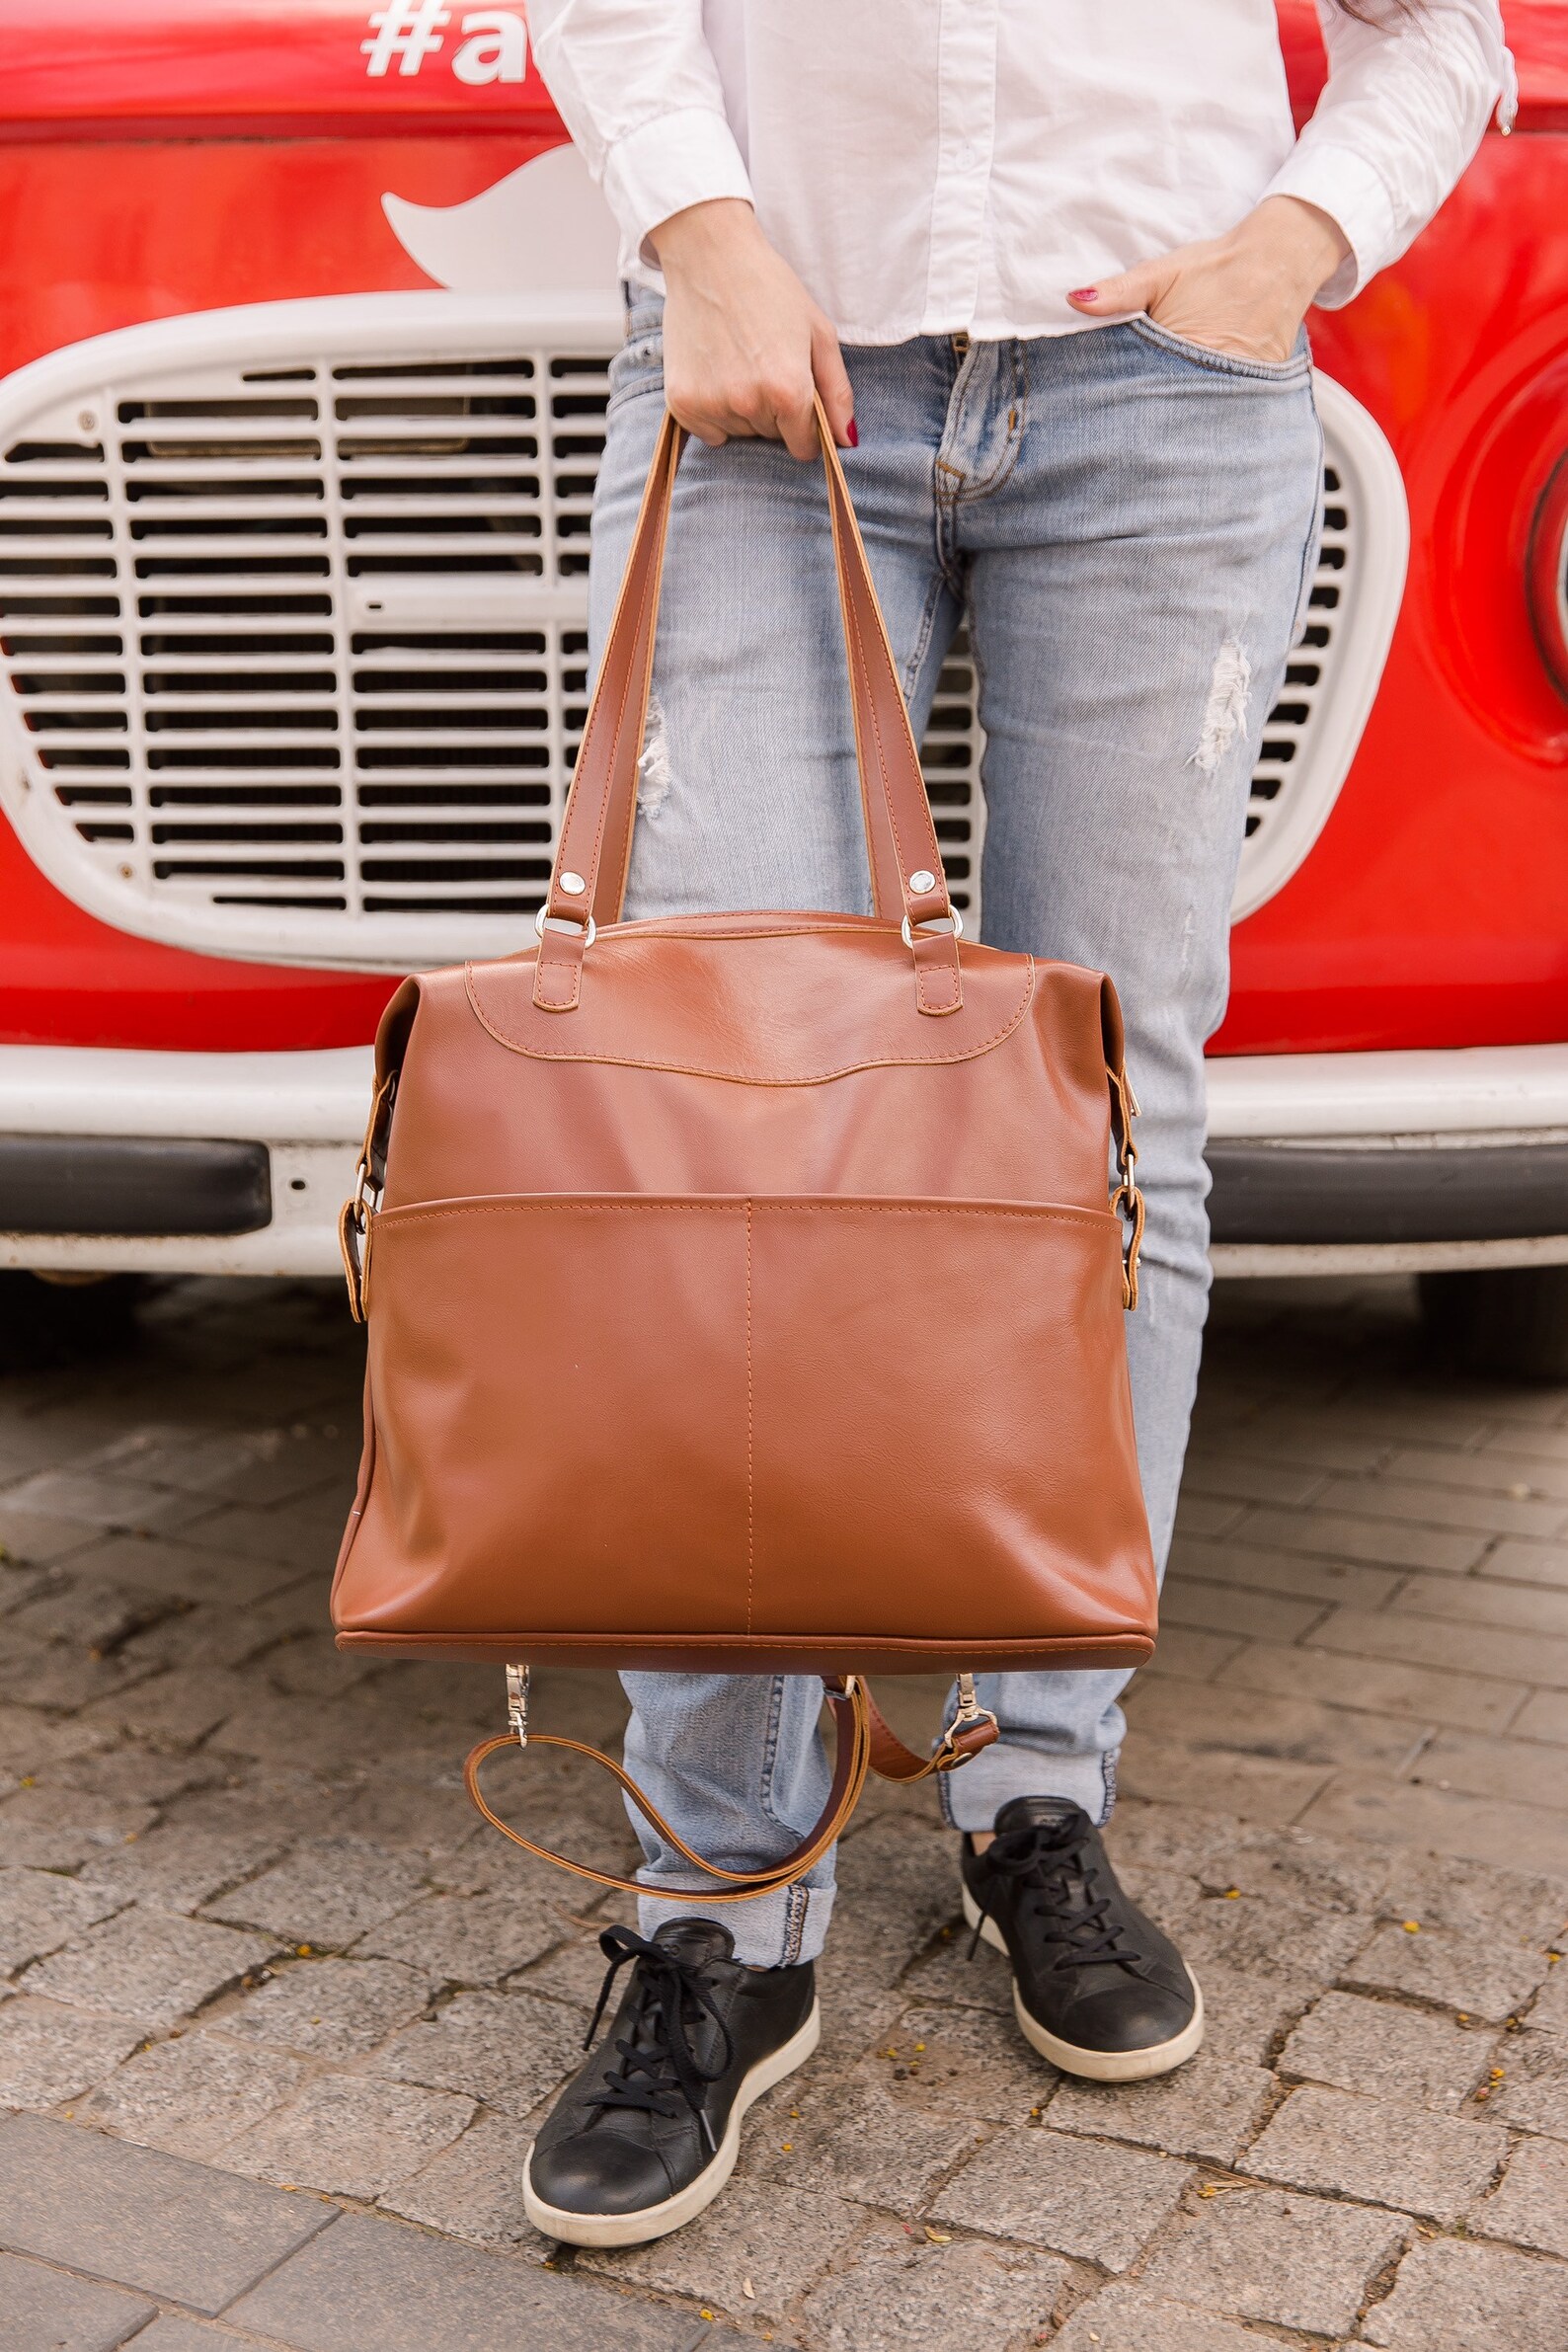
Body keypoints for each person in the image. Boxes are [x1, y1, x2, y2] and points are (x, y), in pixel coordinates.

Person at [516, 0, 1508, 2247]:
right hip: (772, 353)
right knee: (737, 1130)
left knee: (1106, 1120)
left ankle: (1031, 1790)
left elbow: (1435, 34)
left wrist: (1283, 248)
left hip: (1164, 392)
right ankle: (718, 1903)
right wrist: (700, 230)